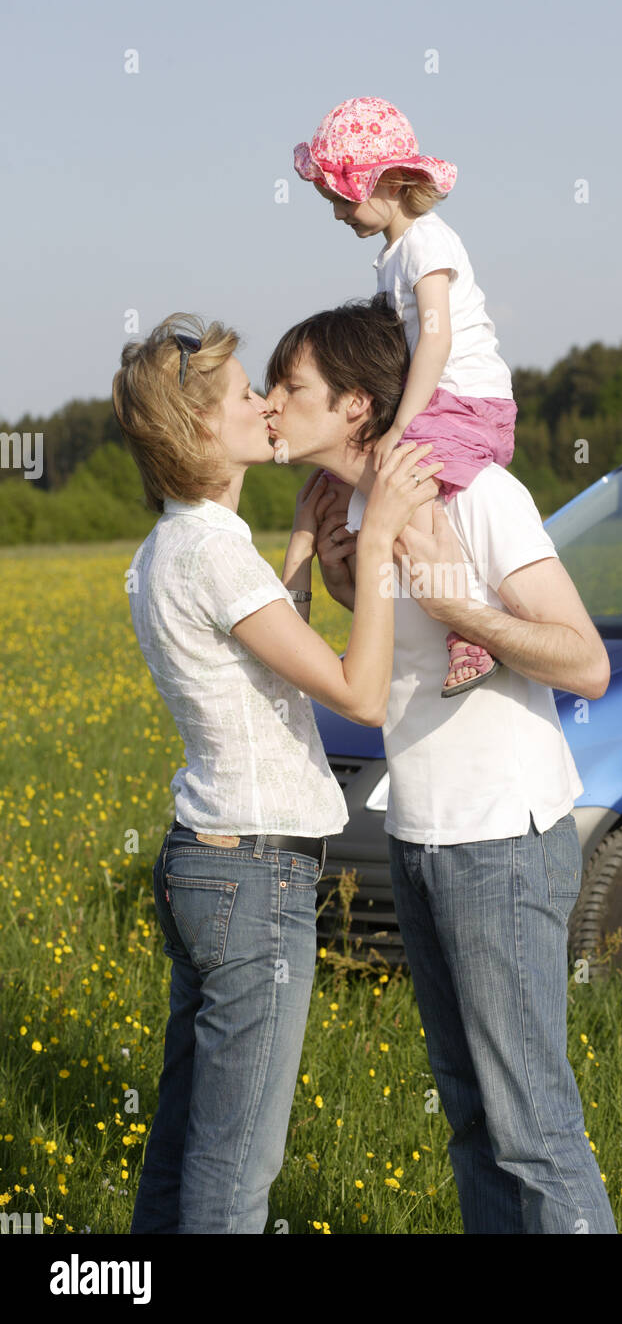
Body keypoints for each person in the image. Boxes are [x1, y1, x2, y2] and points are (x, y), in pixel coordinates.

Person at [264, 298, 618, 1234]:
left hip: (500, 836)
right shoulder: (355, 508)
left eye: (290, 386)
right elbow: (400, 674)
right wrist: (344, 583)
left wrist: (462, 608)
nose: (269, 403)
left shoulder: (476, 493)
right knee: (470, 1122)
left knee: (531, 1128)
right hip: (422, 830)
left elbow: (586, 661)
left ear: (352, 405)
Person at [112, 310, 440, 1234]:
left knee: (183, 1143)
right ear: (198, 429)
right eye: (244, 393)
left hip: (208, 858)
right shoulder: (215, 554)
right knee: (237, 1164)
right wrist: (374, 552)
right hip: (254, 874)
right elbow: (358, 694)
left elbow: (257, 666)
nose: (264, 404)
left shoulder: (174, 547)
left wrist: (297, 555)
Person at [294, 94, 515, 697]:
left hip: (466, 399)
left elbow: (436, 341)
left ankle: (466, 626)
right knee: (392, 482)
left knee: (405, 478)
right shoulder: (393, 256)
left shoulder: (426, 242)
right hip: (442, 398)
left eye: (342, 197)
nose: (338, 213)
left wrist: (401, 425)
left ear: (387, 182)